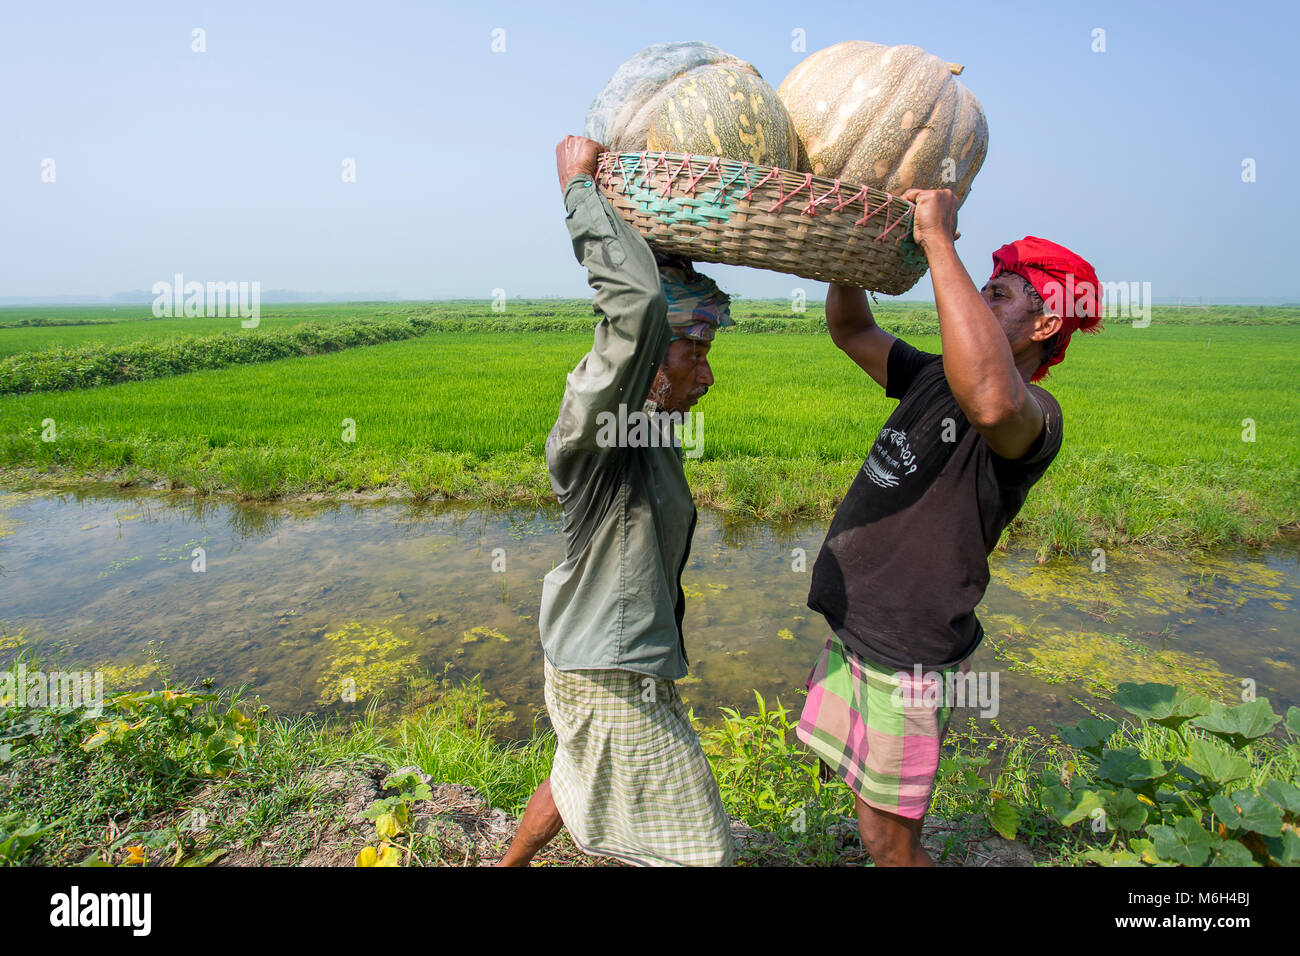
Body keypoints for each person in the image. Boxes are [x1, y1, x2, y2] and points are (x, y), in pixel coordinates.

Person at [797, 186, 1103, 866]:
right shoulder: (934, 377)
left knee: (888, 839)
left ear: (1047, 324)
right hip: (860, 630)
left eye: (1003, 293)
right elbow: (852, 331)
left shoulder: (1035, 413)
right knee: (861, 800)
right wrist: (851, 249)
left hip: (907, 651)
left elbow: (992, 403)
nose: (984, 295)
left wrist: (939, 242)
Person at [497, 135, 734, 867]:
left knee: (575, 776)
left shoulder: (651, 429)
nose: (707, 374)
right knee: (701, 853)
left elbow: (652, 306)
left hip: (606, 660)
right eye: (693, 351)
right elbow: (635, 304)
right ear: (648, 360)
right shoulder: (599, 429)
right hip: (607, 670)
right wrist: (579, 190)